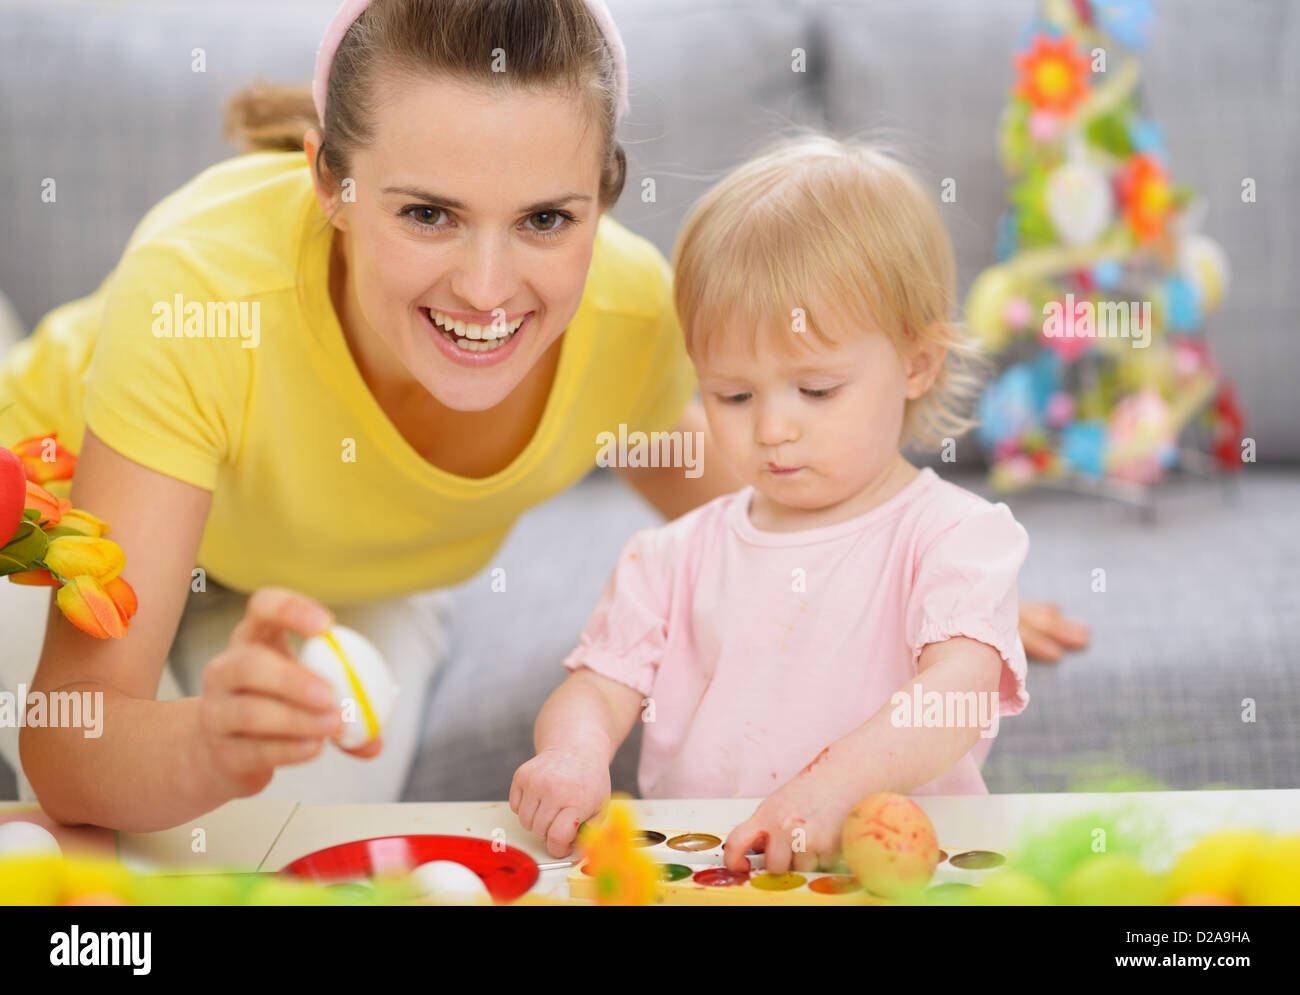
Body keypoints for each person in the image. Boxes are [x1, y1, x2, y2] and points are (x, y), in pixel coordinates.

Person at [0, 0, 1086, 828]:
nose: (485, 287)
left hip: (331, 585)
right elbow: (75, 739)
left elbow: (790, 513)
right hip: (46, 508)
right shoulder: (201, 296)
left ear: (603, 197)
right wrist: (202, 742)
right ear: (330, 183)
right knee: (98, 832)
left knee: (293, 836)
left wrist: (951, 600)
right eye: (427, 212)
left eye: (543, 219)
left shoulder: (623, 317)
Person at [511, 136, 1046, 873]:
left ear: (917, 363)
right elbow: (598, 689)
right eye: (732, 394)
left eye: (817, 390)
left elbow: (958, 690)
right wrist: (572, 755)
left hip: (892, 879)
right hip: (713, 878)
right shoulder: (668, 556)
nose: (771, 428)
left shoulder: (955, 536)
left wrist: (831, 787)